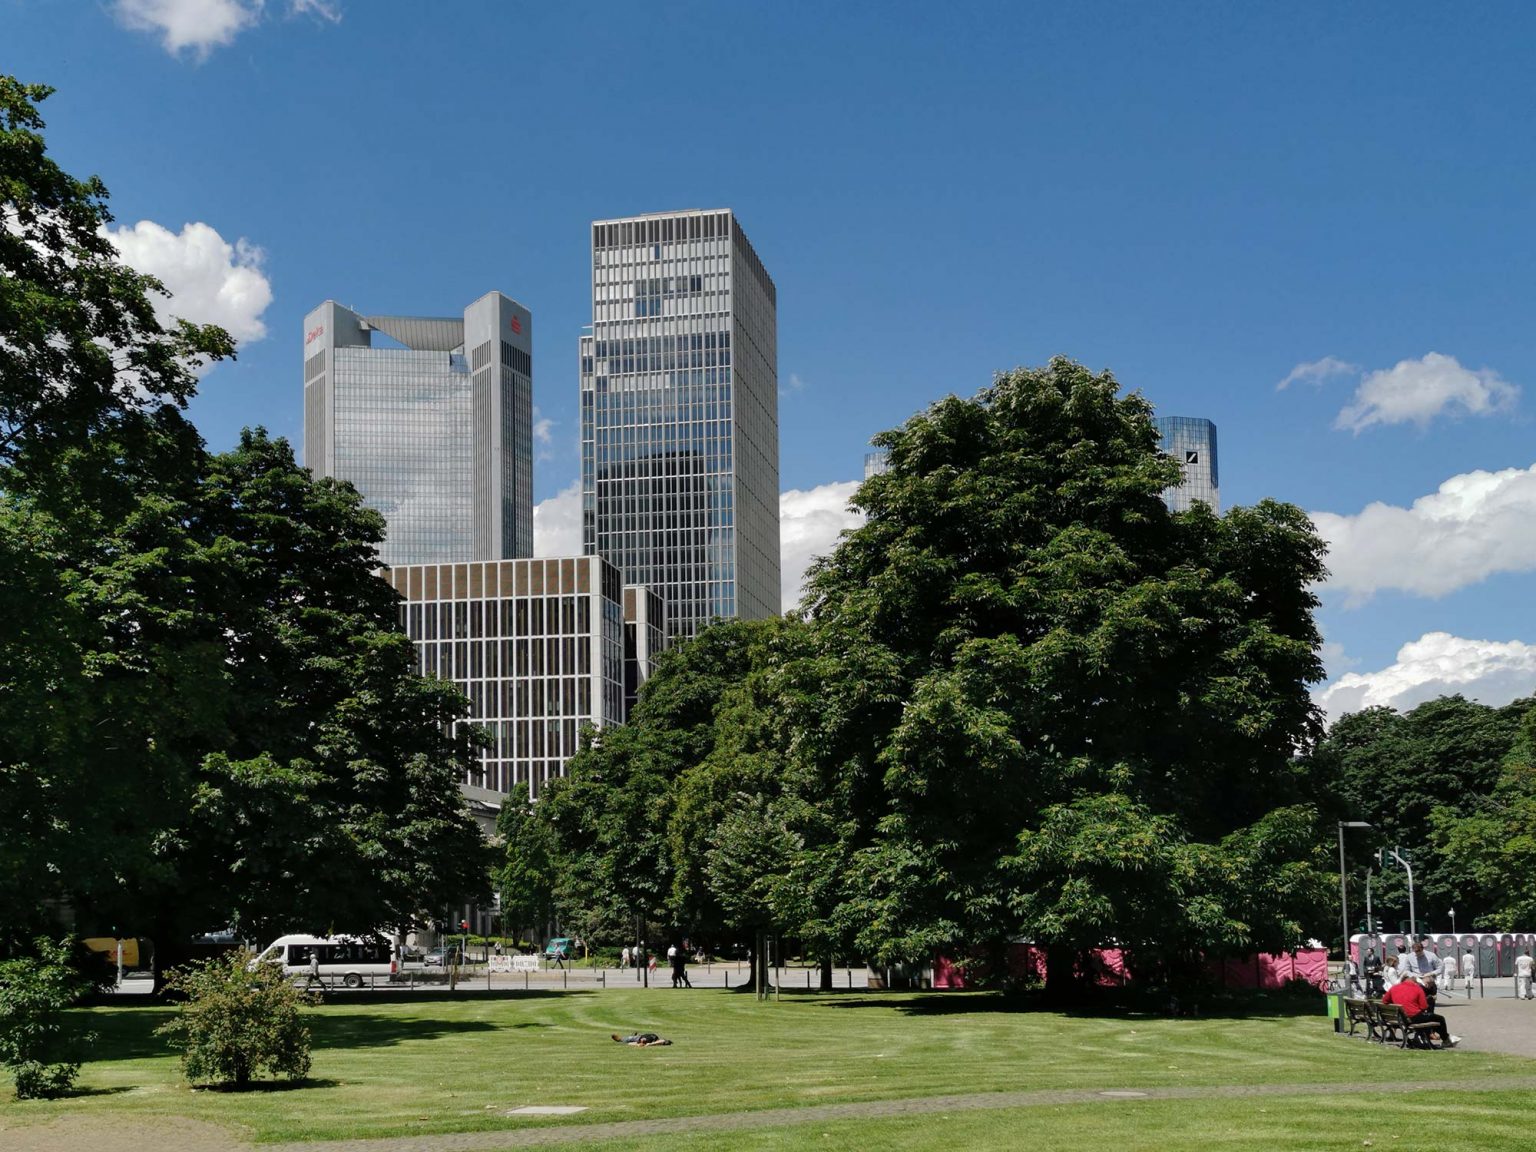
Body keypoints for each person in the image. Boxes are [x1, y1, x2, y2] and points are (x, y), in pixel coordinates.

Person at [1381, 974, 1459, 1048]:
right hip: (1413, 1017)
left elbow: (1385, 1001)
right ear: (1415, 981)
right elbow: (1424, 1007)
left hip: (1399, 1017)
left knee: (1432, 1019)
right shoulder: (1417, 988)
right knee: (1440, 1019)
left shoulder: (1394, 988)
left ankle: (1446, 1038)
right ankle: (1446, 1039)